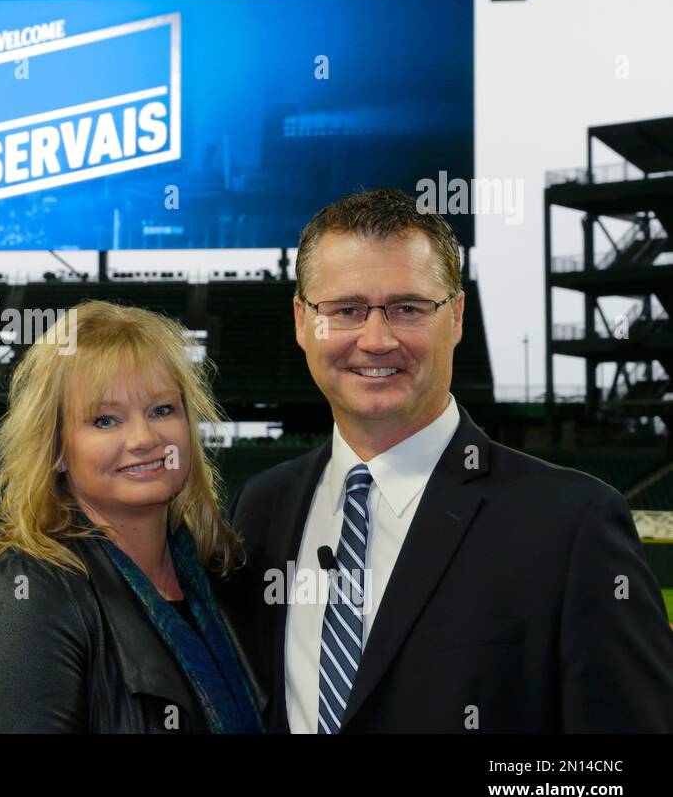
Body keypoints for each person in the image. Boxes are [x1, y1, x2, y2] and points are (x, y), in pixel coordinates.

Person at [230, 187, 673, 733]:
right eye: (345, 310)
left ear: (457, 315)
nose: (376, 338)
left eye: (407, 308)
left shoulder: (572, 524)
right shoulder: (265, 506)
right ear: (302, 321)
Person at [0, 300, 267, 733]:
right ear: (57, 449)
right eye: (105, 420)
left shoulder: (220, 575)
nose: (143, 438)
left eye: (161, 410)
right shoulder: (24, 600)